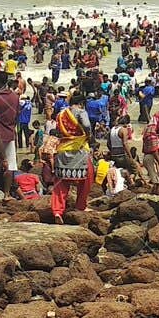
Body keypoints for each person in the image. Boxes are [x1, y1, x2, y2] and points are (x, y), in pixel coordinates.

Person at [50, 92, 93, 223]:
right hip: (79, 149)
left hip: (63, 149)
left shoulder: (61, 114)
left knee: (61, 182)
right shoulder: (81, 112)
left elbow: (58, 131)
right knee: (87, 177)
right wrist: (88, 134)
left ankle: (57, 211)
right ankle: (81, 206)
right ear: (81, 103)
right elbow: (86, 125)